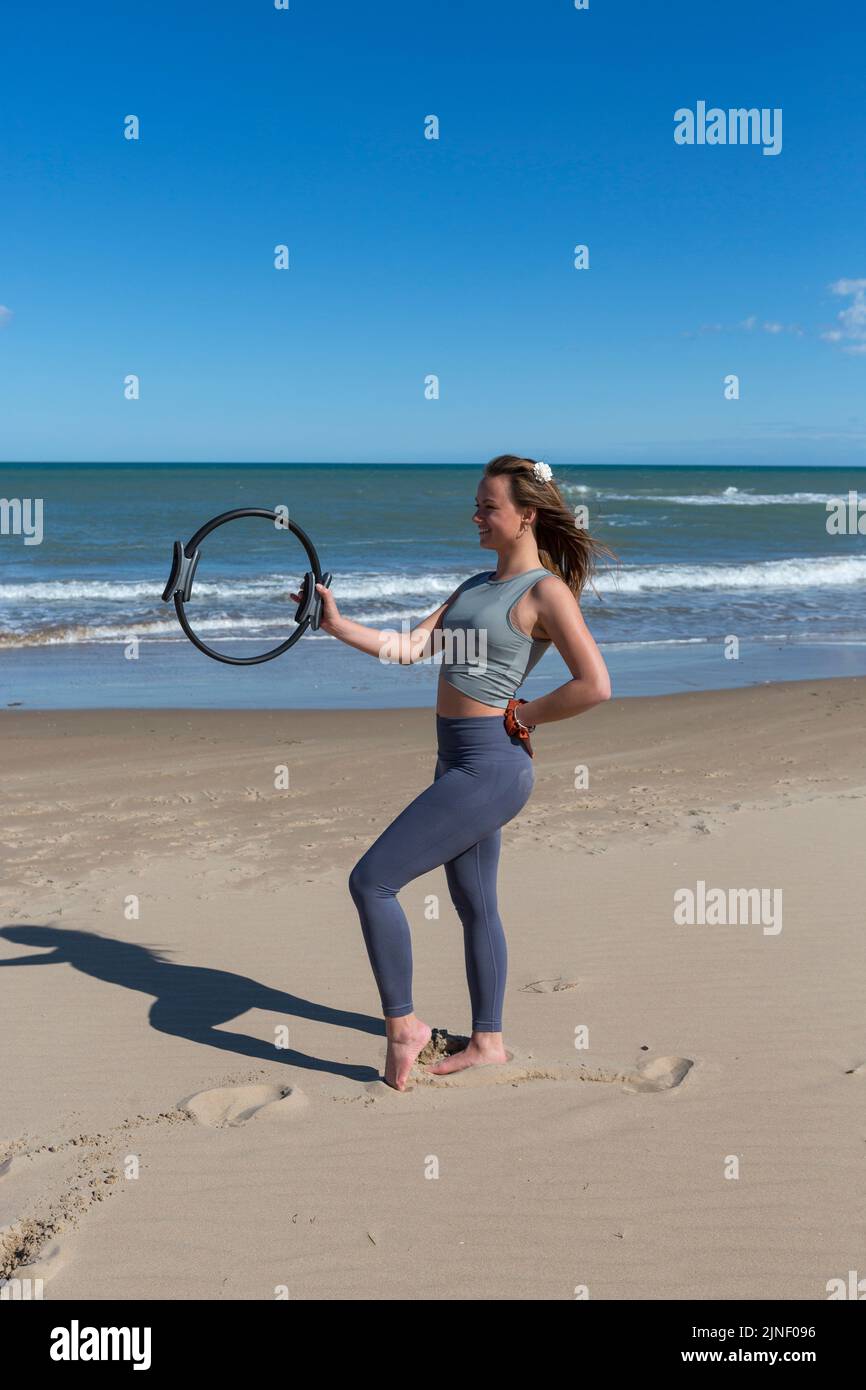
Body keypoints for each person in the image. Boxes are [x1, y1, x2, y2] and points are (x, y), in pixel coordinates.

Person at [291, 455, 613, 1090]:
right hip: (455, 759)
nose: (476, 516)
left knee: (371, 882)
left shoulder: (544, 592)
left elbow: (595, 685)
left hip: (493, 766)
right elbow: (408, 648)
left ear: (527, 515)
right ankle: (488, 1042)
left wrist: (526, 716)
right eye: (477, 505)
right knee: (474, 903)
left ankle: (405, 1027)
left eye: (488, 507)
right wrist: (333, 623)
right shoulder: (473, 588)